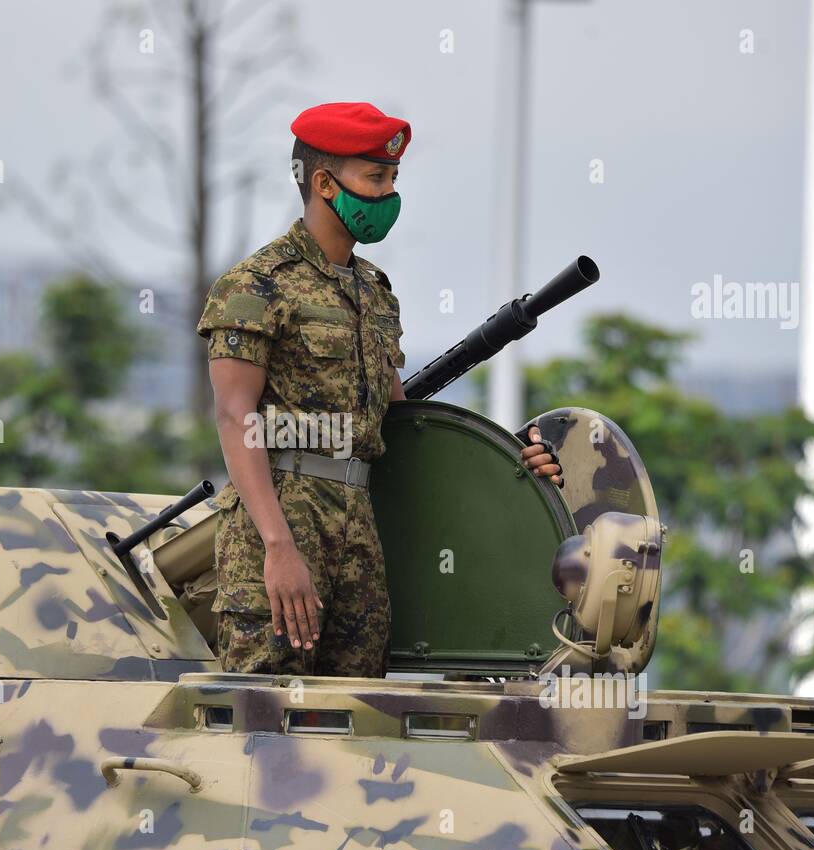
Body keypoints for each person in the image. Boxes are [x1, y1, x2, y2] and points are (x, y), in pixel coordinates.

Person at [197, 101, 562, 677]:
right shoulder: (255, 285)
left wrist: (509, 459)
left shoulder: (374, 290)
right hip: (282, 514)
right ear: (324, 183)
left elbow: (400, 424)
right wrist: (277, 546)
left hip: (360, 527)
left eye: (393, 178)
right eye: (375, 177)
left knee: (359, 716)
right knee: (264, 714)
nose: (389, 193)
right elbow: (234, 417)